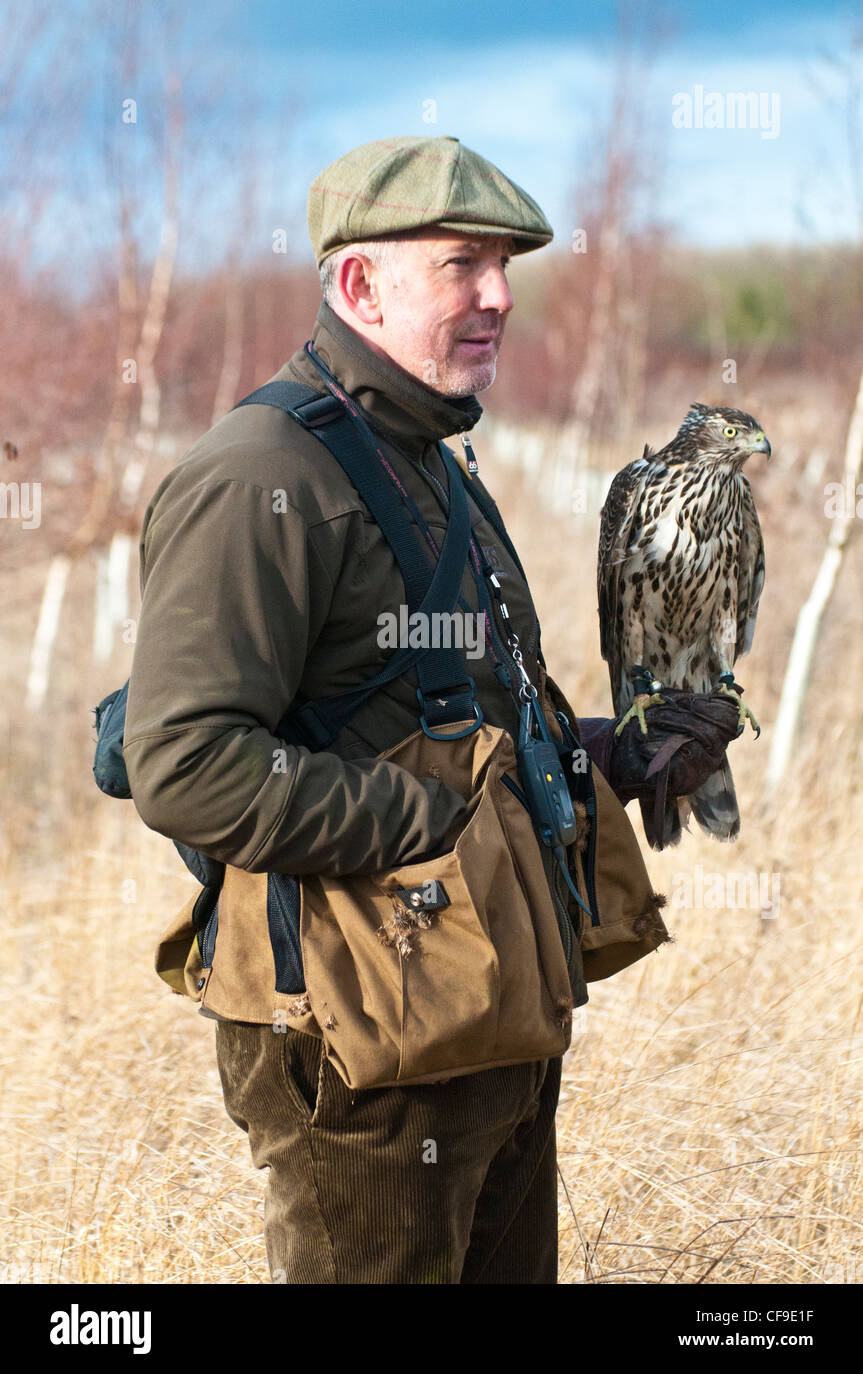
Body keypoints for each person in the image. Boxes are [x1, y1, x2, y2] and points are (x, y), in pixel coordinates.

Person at [123, 135, 737, 1284]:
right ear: (359, 284)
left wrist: (608, 756)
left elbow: (446, 716)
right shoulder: (260, 474)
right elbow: (185, 761)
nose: (498, 295)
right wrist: (433, 826)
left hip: (485, 1010)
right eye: (462, 265)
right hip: (362, 1043)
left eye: (503, 265)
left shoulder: (425, 458)